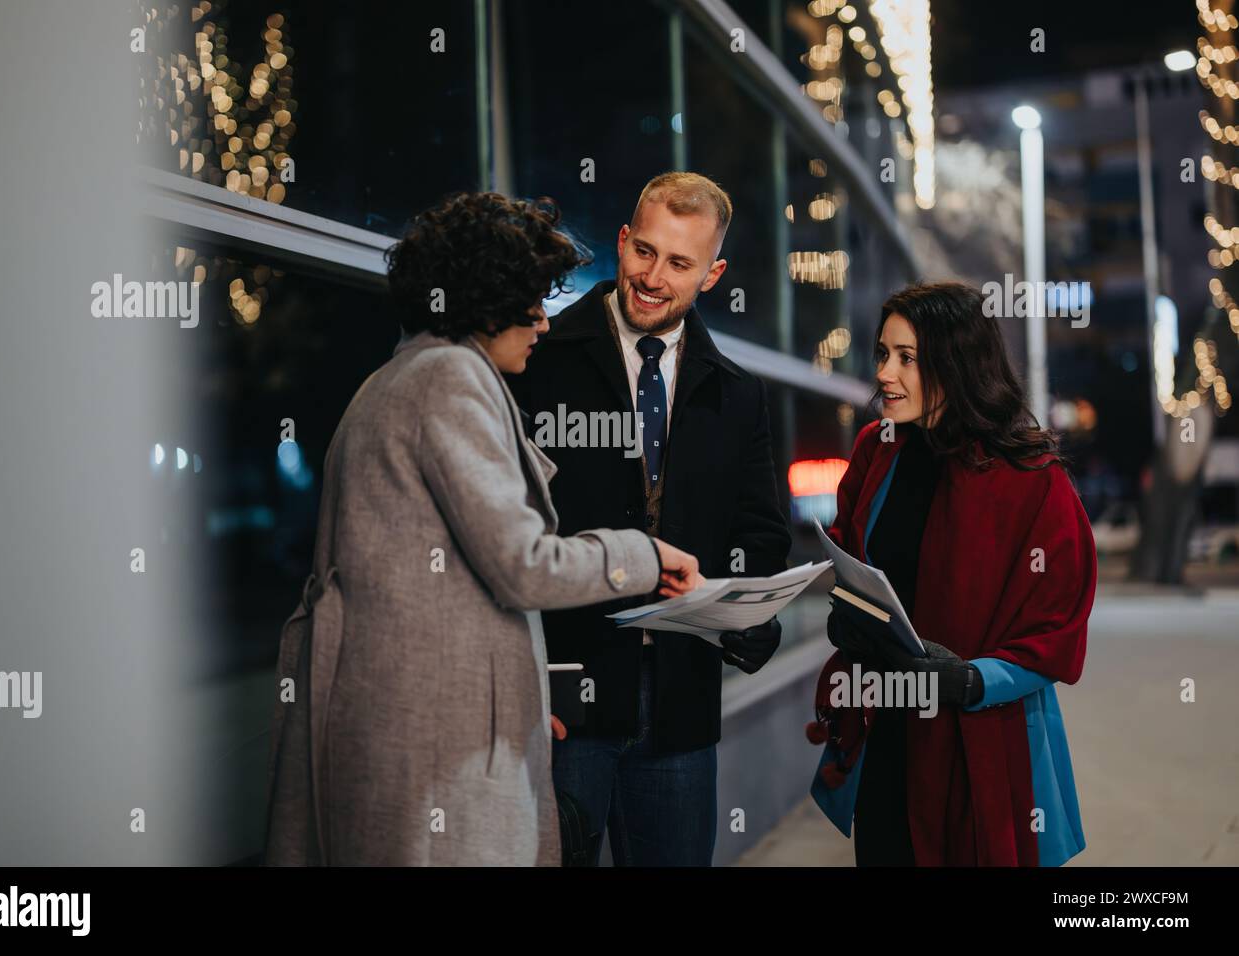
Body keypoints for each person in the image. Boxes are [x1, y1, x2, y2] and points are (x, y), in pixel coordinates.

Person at [263, 192, 704, 866]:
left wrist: (521, 700)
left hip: (408, 723)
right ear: (486, 301)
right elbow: (521, 565)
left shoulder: (390, 380)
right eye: (530, 302)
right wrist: (641, 554)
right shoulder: (450, 378)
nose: (543, 322)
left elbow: (438, 584)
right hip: (437, 749)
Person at [509, 172, 792, 866]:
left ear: (713, 273)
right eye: (645, 252)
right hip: (563, 699)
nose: (653, 278)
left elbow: (759, 535)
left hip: (681, 706)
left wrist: (749, 615)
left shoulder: (737, 395)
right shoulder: (537, 361)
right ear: (623, 240)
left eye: (680, 263)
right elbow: (508, 529)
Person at [807, 281, 1096, 866]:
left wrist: (970, 679)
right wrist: (849, 615)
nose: (885, 373)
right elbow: (849, 550)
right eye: (882, 354)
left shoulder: (1030, 477)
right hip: (886, 725)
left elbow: (1058, 628)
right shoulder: (877, 447)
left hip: (982, 740)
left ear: (957, 362)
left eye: (907, 358)